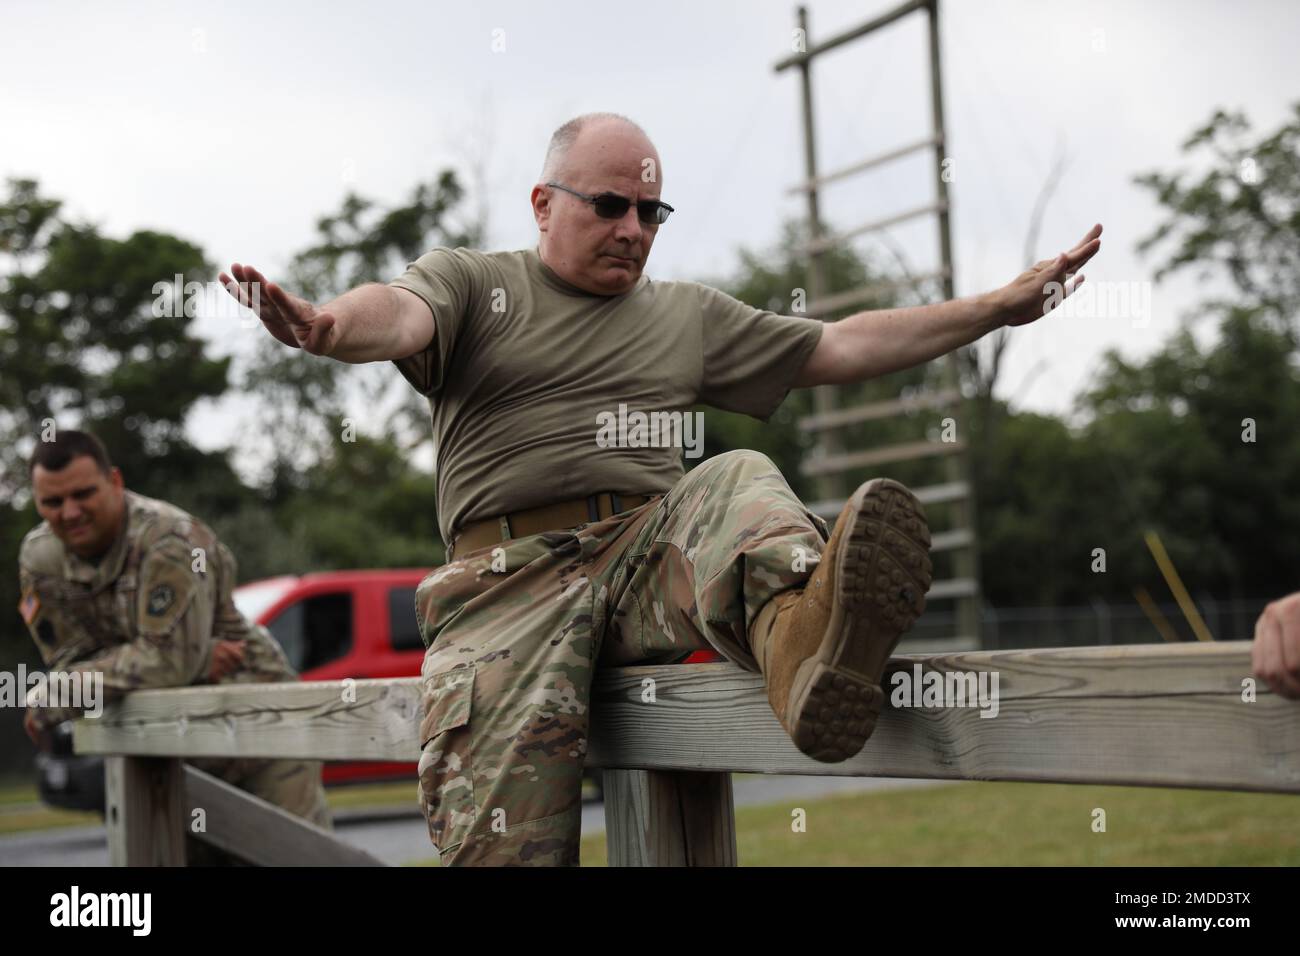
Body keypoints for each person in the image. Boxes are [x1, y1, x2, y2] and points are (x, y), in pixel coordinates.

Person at [221, 111, 1101, 865]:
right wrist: (328, 326)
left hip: (647, 558)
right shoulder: (476, 284)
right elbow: (397, 310)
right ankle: (798, 637)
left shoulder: (687, 315)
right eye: (609, 205)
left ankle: (806, 647)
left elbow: (842, 344)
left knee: (734, 477)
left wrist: (992, 307)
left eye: (651, 211)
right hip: (507, 590)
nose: (633, 228)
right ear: (544, 204)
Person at [18, 430, 332, 861]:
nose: (70, 512)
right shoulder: (40, 558)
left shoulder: (169, 539)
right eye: (52, 503)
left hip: (258, 729)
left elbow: (163, 663)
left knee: (297, 857)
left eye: (83, 494)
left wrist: (63, 691)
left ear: (114, 481)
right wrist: (197, 659)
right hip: (164, 747)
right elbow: (73, 658)